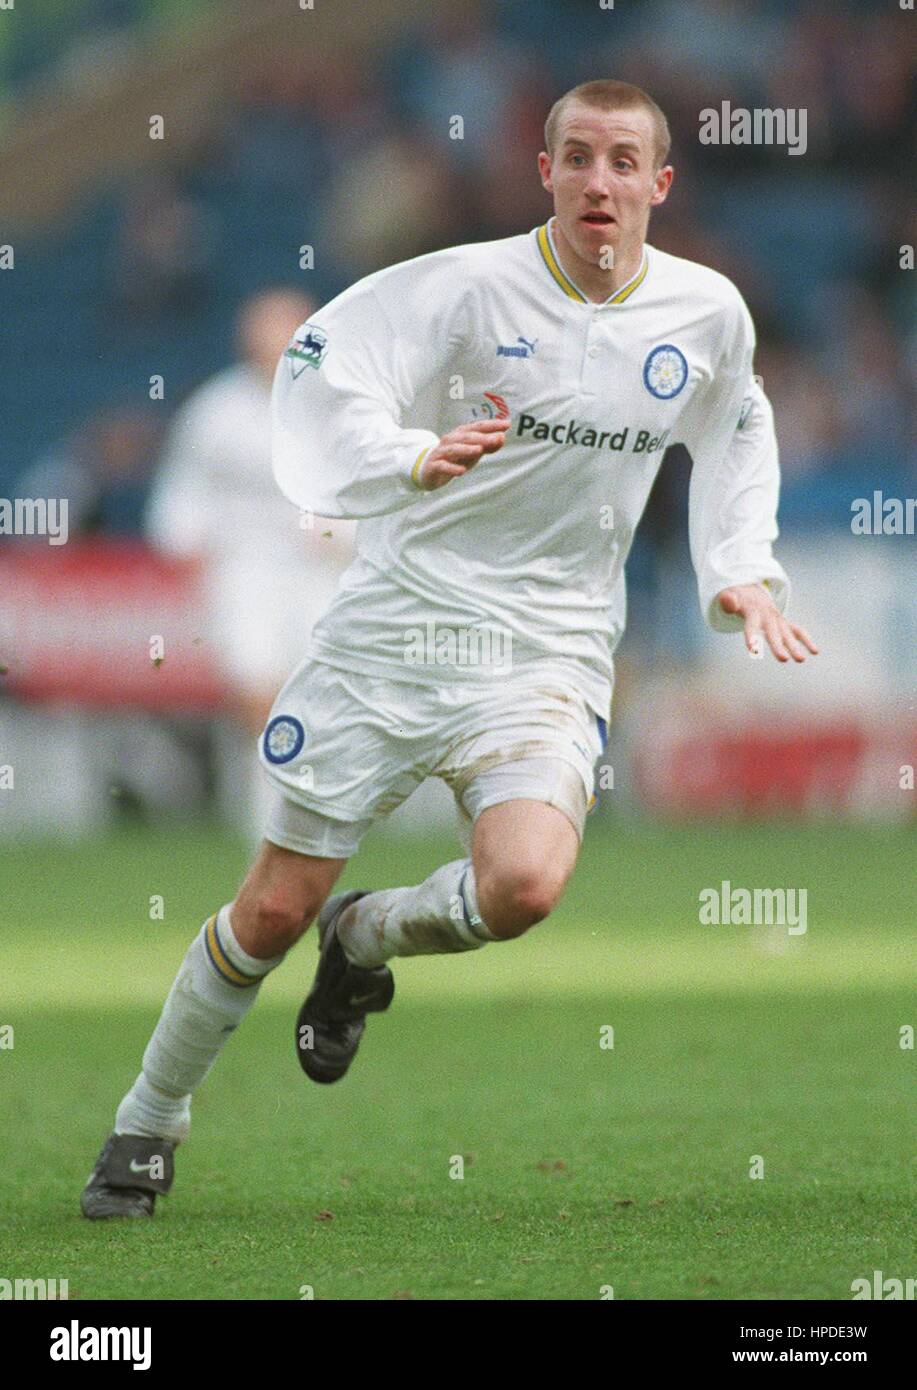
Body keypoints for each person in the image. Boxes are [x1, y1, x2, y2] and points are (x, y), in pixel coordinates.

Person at [81, 79, 816, 1218]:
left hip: (545, 650)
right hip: (391, 630)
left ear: (658, 185)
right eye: (576, 157)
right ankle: (147, 1119)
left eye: (623, 161)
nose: (598, 182)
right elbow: (326, 366)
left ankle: (366, 935)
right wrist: (402, 456)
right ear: (544, 172)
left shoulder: (705, 313)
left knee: (523, 885)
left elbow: (736, 428)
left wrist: (738, 570)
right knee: (271, 905)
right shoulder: (465, 285)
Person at [144, 289, 357, 837]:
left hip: (320, 572)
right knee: (256, 693)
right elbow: (185, 494)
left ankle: (317, 815)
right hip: (245, 570)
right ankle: (269, 818)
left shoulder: (341, 404)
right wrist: (183, 544)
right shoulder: (215, 410)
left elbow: (371, 484)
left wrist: (346, 535)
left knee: (314, 697)